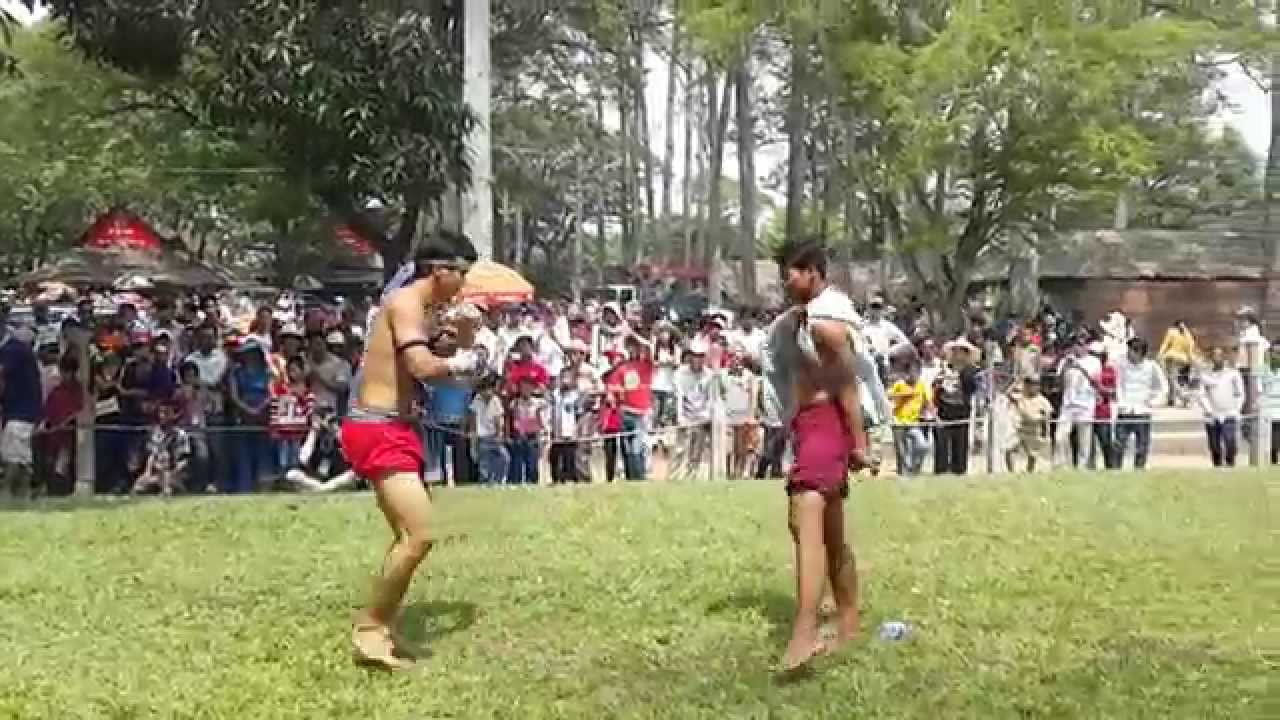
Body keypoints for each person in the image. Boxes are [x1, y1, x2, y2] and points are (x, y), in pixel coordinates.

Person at [338, 232, 480, 670]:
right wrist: (462, 362)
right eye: (463, 274)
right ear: (441, 270)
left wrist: (462, 338)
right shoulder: (404, 303)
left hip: (393, 428)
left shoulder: (417, 308)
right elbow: (423, 367)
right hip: (377, 429)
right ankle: (371, 629)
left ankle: (382, 626)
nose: (464, 285)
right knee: (420, 534)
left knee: (409, 536)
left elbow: (427, 358)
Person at [772, 239, 866, 672]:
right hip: (808, 426)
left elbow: (849, 384)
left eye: (792, 270)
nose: (785, 279)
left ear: (813, 272)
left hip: (828, 424)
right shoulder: (800, 322)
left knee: (803, 513)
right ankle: (848, 619)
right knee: (828, 532)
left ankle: (806, 630)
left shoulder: (827, 325)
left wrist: (859, 442)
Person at [1114, 338, 1166, 470]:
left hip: (1142, 411)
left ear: (1139, 352)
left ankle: (1139, 469)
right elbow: (1119, 385)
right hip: (1125, 410)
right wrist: (1121, 402)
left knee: (1142, 445)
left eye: (1131, 351)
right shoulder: (1122, 365)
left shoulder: (1151, 366)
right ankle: (1116, 470)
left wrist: (1154, 402)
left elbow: (1163, 387)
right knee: (1119, 444)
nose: (1128, 354)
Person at [932, 338, 979, 475]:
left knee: (961, 440)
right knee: (942, 441)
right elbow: (935, 387)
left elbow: (972, 389)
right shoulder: (943, 369)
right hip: (945, 408)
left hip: (961, 408)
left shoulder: (972, 371)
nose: (958, 354)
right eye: (956, 351)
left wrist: (964, 377)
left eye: (961, 351)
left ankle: (959, 469)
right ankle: (941, 470)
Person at [131, 400, 192, 496]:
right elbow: (152, 455)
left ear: (174, 415)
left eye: (166, 413)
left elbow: (184, 461)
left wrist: (170, 474)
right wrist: (147, 473)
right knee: (138, 488)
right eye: (161, 412)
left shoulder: (181, 434)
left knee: (168, 488)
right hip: (157, 472)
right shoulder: (155, 433)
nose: (163, 416)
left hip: (175, 472)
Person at [1198, 347, 1244, 468]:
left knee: (1230, 441)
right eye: (1214, 356)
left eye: (1219, 355)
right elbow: (1201, 394)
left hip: (1229, 413)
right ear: (1211, 358)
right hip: (1212, 414)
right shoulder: (1205, 375)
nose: (1217, 358)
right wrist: (1208, 409)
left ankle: (1230, 463)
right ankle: (1217, 465)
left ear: (1224, 357)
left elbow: (1240, 393)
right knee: (1214, 444)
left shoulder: (1233, 374)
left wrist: (1237, 408)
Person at [889, 361, 932, 476]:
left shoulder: (922, 385)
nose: (913, 374)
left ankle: (914, 469)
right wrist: (903, 396)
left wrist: (936, 417)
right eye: (911, 372)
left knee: (922, 445)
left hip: (913, 422)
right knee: (901, 451)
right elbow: (889, 396)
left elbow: (928, 402)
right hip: (898, 422)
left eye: (916, 372)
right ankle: (903, 474)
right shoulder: (900, 384)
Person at [1006, 377, 1053, 473]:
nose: (1029, 387)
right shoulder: (1021, 397)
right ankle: (1011, 472)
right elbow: (1008, 394)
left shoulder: (1042, 401)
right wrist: (1016, 382)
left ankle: (1029, 472)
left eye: (1033, 385)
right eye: (1027, 385)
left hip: (1034, 431)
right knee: (1009, 450)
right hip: (1021, 429)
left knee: (1032, 456)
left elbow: (1047, 416)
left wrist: (1044, 434)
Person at [467, 375, 509, 484]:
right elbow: (473, 419)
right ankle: (484, 483)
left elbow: (499, 419)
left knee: (505, 458)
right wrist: (473, 439)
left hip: (494, 437)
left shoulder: (496, 400)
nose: (488, 392)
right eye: (485, 389)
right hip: (481, 437)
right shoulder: (476, 399)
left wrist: (499, 434)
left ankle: (498, 481)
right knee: (484, 464)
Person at [1157, 320, 1196, 406]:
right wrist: (1191, 360)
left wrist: (1160, 354)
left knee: (1172, 379)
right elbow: (1190, 348)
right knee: (1175, 379)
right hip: (1183, 359)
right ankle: (1171, 399)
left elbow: (1165, 343)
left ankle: (1183, 396)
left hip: (1172, 358)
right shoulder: (1188, 334)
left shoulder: (1171, 332)